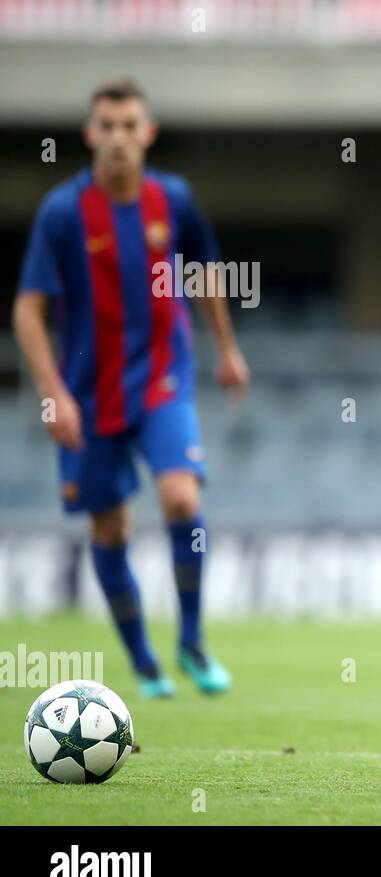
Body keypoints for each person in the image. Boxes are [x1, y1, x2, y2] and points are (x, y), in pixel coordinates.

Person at [13, 78, 249, 697]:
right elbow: (27, 310)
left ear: (147, 133)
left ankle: (193, 643)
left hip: (163, 380)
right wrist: (53, 392)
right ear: (91, 134)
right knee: (111, 529)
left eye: (129, 126)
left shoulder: (172, 199)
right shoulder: (63, 212)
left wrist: (226, 350)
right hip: (89, 399)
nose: (118, 138)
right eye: (107, 127)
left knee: (180, 501)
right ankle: (144, 662)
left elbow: (203, 272)